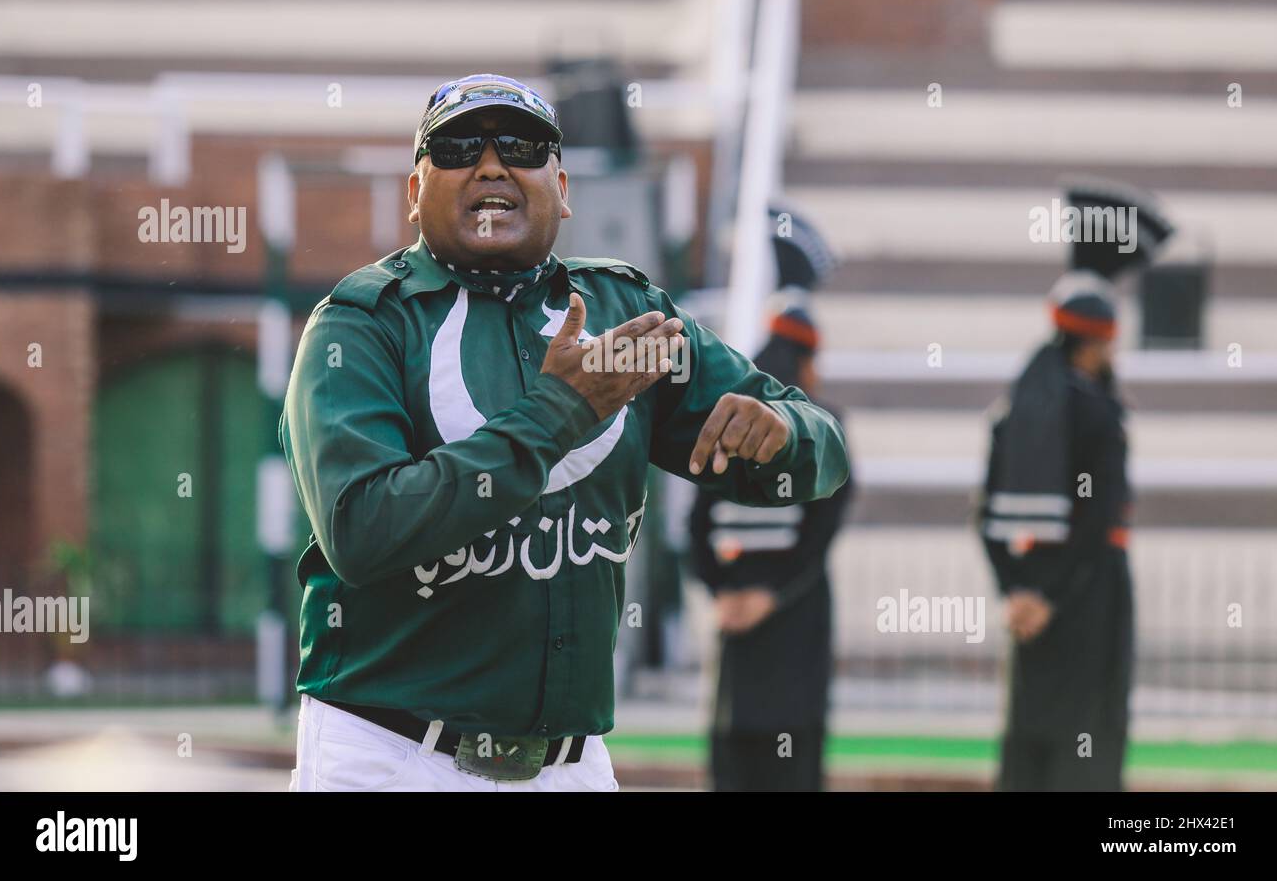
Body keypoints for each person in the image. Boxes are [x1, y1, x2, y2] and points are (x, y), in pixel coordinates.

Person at [279, 73, 850, 791]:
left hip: (569, 764)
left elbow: (821, 452)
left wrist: (786, 434)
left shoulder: (626, 307)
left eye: (521, 145)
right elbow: (362, 528)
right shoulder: (362, 322)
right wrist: (559, 411)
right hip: (390, 753)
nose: (491, 165)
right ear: (414, 191)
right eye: (456, 147)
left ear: (564, 186)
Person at [978, 271, 1134, 791]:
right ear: (1093, 345)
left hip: (1027, 606)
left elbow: (986, 515)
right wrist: (1052, 595)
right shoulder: (1098, 414)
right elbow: (1098, 519)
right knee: (1088, 732)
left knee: (1030, 730)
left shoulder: (1014, 410)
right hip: (1087, 599)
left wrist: (1018, 591)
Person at [688, 307, 854, 791]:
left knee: (736, 749)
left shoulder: (725, 418)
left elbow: (697, 525)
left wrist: (723, 592)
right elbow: (822, 532)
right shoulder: (823, 423)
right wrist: (773, 595)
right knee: (791, 754)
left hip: (734, 614)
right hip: (795, 613)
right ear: (805, 364)